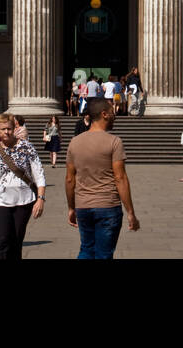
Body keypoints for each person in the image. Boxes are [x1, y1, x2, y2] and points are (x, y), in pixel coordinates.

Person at [66, 98, 138, 259]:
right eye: (112, 113)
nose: (115, 116)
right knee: (103, 254)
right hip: (108, 206)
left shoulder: (74, 143)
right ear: (104, 114)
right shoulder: (114, 142)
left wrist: (71, 207)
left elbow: (70, 179)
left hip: (83, 207)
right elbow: (120, 178)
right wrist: (130, 212)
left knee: (86, 249)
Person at [0, 112, 47, 259]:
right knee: (2, 239)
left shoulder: (27, 147)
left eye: (9, 128)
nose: (6, 132)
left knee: (16, 241)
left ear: (14, 128)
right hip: (0, 201)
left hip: (24, 201)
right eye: (3, 129)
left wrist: (41, 199)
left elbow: (39, 174)